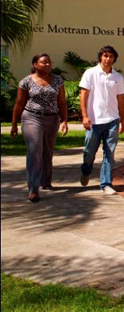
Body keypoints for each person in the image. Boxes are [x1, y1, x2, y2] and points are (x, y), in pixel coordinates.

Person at [10, 54, 69, 202]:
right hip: (31, 117)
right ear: (35, 64)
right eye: (43, 62)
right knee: (34, 148)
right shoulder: (26, 82)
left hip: (52, 118)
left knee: (47, 151)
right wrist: (14, 124)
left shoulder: (57, 80)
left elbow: (61, 102)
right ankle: (33, 189)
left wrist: (64, 121)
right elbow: (19, 103)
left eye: (49, 62)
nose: (47, 65)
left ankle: (45, 181)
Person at [79, 45, 124, 194]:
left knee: (109, 153)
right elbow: (83, 95)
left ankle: (106, 183)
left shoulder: (118, 77)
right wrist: (85, 116)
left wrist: (123, 120)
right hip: (94, 121)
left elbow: (120, 100)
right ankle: (86, 170)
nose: (108, 59)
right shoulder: (90, 73)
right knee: (89, 152)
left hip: (112, 120)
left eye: (111, 56)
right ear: (100, 57)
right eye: (105, 56)